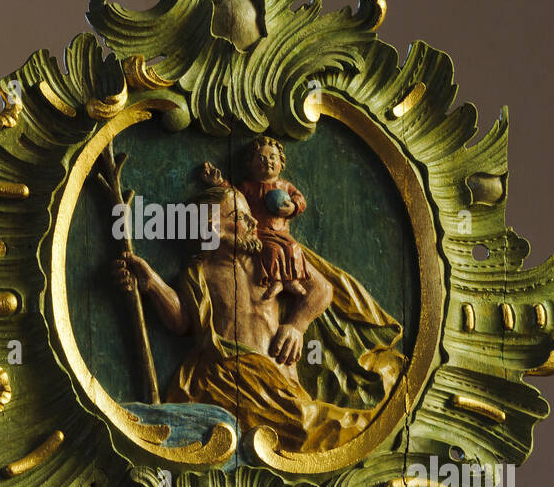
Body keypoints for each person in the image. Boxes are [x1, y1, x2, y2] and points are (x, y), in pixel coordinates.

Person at [113, 185, 405, 454]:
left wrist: (297, 325)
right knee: (290, 432)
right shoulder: (198, 275)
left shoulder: (272, 256)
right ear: (212, 227)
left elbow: (321, 289)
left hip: (277, 379)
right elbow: (184, 323)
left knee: (312, 427)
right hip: (225, 377)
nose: (254, 223)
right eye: (241, 217)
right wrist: (151, 283)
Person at [201, 137, 308, 299]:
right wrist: (220, 182)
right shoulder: (248, 187)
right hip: (261, 231)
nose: (268, 162)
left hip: (281, 232)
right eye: (261, 158)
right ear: (250, 164)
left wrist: (292, 207)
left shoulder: (285, 186)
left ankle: (291, 280)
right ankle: (276, 281)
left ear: (281, 162)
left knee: (293, 248)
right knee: (273, 251)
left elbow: (300, 199)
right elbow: (234, 196)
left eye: (273, 157)